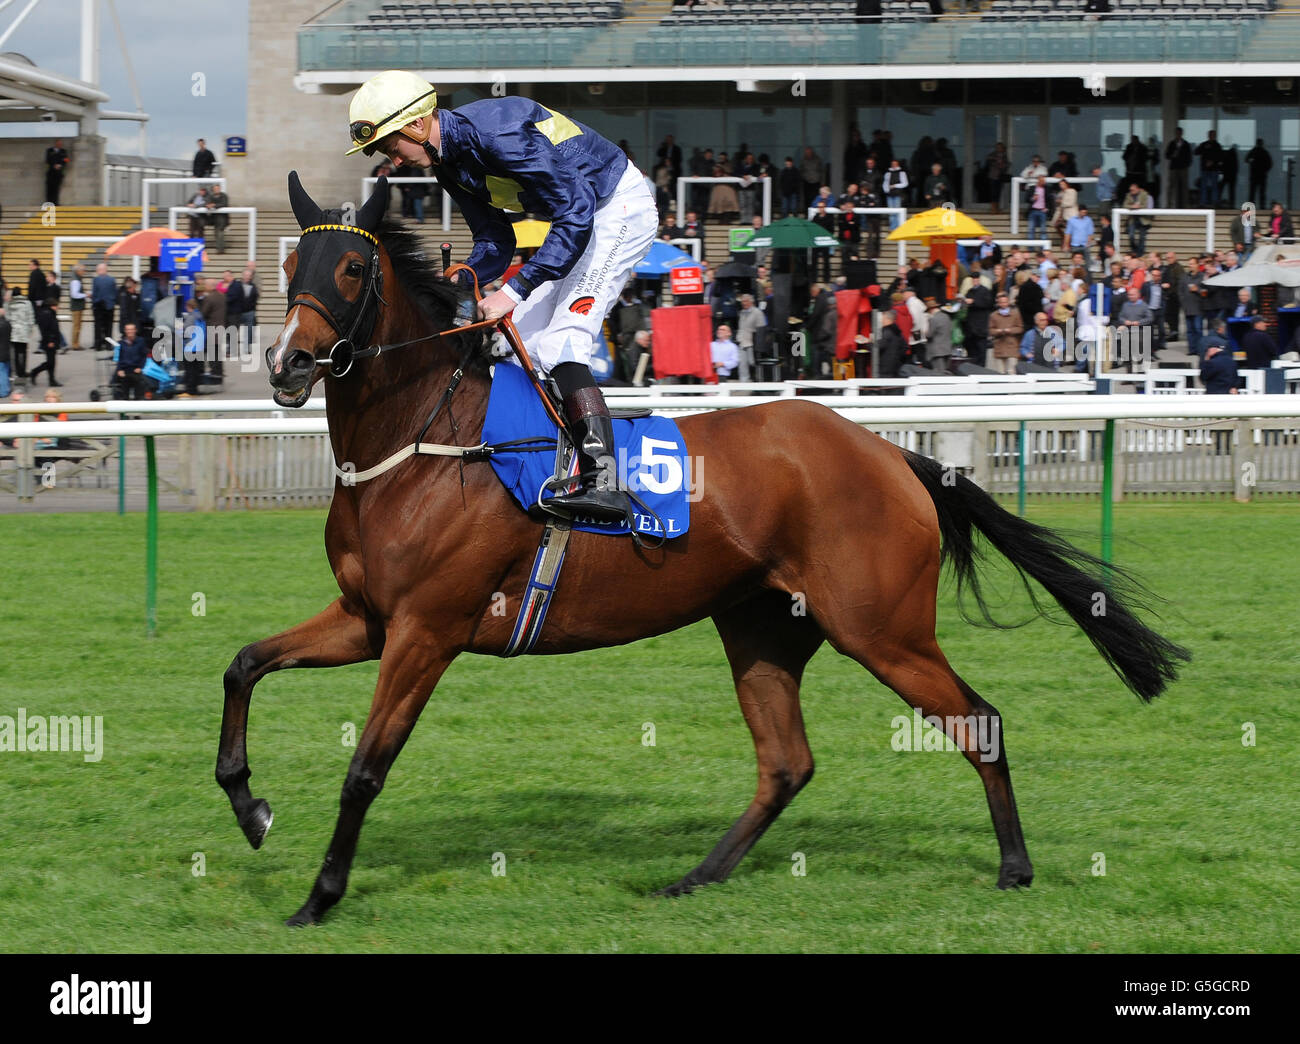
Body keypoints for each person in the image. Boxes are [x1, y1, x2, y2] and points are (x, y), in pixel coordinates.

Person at [347, 70, 657, 521]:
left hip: (617, 208)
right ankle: (547, 463)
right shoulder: (448, 163)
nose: (393, 160)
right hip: (580, 217)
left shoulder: (499, 134)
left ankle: (603, 482)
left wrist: (513, 290)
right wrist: (462, 279)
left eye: (392, 146)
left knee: (560, 343)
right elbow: (496, 238)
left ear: (416, 124)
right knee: (512, 346)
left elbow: (577, 213)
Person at [28, 294, 62, 387]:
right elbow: (46, 330)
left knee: (52, 362)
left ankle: (51, 380)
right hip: (49, 341)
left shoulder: (49, 313)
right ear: (51, 305)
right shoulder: (47, 314)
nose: (57, 307)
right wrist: (50, 341)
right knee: (50, 362)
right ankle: (35, 372)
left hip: (52, 340)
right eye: (56, 305)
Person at [988, 292, 1024, 374]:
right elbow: (990, 330)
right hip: (999, 347)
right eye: (1002, 302)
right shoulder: (993, 315)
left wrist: (1010, 330)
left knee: (1012, 372)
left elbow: (1020, 328)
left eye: (1005, 302)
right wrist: (998, 331)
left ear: (1008, 302)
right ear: (998, 303)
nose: (1004, 304)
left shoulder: (1015, 314)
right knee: (1000, 373)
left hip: (1012, 347)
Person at [735, 294, 766, 383]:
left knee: (752, 363)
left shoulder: (757, 313)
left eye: (745, 301)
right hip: (741, 341)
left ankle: (758, 383)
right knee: (742, 364)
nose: (743, 303)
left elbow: (761, 329)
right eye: (742, 302)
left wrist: (758, 343)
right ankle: (744, 384)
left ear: (751, 302)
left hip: (752, 342)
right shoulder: (741, 313)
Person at [115, 321, 150, 400]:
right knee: (124, 380)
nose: (130, 331)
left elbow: (144, 356)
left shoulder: (141, 341)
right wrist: (119, 370)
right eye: (128, 330)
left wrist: (140, 367)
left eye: (131, 329)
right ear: (125, 331)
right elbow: (118, 359)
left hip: (136, 369)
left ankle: (137, 400)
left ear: (135, 330)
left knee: (137, 380)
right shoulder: (120, 343)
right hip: (124, 370)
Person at [7, 287, 32, 381]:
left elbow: (8, 317)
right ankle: (23, 371)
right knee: (24, 352)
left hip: (14, 333)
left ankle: (17, 371)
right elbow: (31, 317)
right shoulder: (27, 303)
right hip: (24, 332)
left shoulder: (10, 304)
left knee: (15, 353)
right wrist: (29, 330)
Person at [91, 262, 116, 351]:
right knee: (109, 327)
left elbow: (95, 294)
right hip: (109, 307)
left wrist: (94, 303)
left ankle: (98, 345)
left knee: (98, 326)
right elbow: (114, 293)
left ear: (100, 270)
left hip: (98, 307)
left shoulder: (96, 280)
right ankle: (108, 345)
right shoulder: (112, 280)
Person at [924, 296, 953, 373]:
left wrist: (925, 332)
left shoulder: (933, 319)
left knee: (939, 374)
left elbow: (929, 335)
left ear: (931, 310)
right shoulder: (946, 316)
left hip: (936, 351)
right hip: (947, 349)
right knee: (944, 371)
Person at [1165, 129, 1192, 208]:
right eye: (1177, 133)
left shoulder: (1185, 144)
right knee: (1171, 186)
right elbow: (1166, 155)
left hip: (1183, 168)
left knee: (1184, 187)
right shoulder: (1172, 144)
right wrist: (1173, 155)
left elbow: (1189, 157)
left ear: (1182, 133)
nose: (1178, 134)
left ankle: (1185, 205)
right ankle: (1169, 204)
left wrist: (1186, 165)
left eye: (1179, 133)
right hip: (1174, 168)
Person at [883, 158, 908, 230]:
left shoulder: (902, 173)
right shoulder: (888, 173)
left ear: (897, 164)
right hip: (889, 195)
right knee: (891, 212)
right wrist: (886, 190)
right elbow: (885, 183)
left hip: (897, 194)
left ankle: (896, 227)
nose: (894, 165)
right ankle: (892, 228)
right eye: (892, 164)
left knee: (897, 211)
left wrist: (894, 186)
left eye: (895, 164)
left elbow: (905, 183)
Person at [206, 183, 231, 253]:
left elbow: (224, 204)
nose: (217, 190)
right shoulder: (211, 196)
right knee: (216, 233)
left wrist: (214, 205)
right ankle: (218, 247)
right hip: (214, 218)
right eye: (215, 189)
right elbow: (207, 203)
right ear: (213, 189)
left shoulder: (224, 196)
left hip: (222, 217)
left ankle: (220, 249)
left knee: (220, 232)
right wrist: (209, 205)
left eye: (218, 188)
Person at [1246, 139, 1272, 206]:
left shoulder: (1253, 151)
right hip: (1262, 175)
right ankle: (1262, 206)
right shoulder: (1264, 152)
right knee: (1262, 192)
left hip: (1254, 175)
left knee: (1252, 192)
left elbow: (1246, 159)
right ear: (1262, 144)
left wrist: (1252, 163)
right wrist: (1265, 170)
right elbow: (1270, 163)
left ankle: (1251, 206)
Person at [67, 265, 87, 349]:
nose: (84, 272)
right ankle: (75, 344)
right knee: (76, 326)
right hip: (76, 307)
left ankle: (76, 342)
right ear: (78, 271)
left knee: (77, 326)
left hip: (77, 306)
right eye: (83, 270)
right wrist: (85, 295)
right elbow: (74, 294)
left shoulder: (77, 279)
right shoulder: (75, 280)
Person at [44, 139, 69, 205]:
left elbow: (66, 160)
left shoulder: (63, 151)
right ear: (55, 143)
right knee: (49, 188)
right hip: (51, 172)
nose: (59, 144)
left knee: (56, 189)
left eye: (60, 143)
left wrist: (60, 165)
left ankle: (56, 203)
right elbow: (47, 160)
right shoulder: (50, 150)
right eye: (58, 143)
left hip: (59, 173)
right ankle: (48, 203)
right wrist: (53, 165)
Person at [0, 303, 10, 398]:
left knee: (1, 373)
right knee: (5, 372)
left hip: (0, 354)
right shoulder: (7, 323)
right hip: (6, 352)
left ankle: (3, 391)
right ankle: (6, 388)